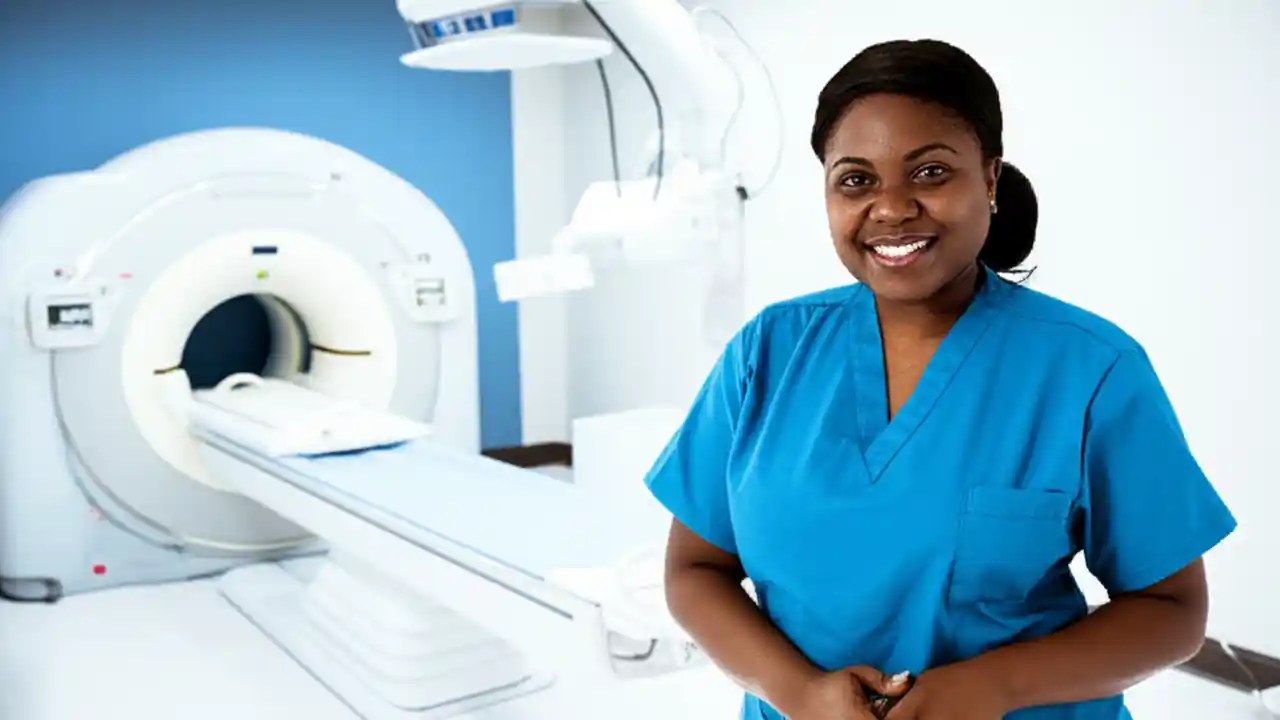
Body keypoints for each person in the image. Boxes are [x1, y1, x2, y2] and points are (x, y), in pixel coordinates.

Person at [643, 38, 1237, 720]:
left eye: (929, 173)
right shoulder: (767, 354)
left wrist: (993, 686)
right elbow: (695, 571)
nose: (891, 210)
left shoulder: (1089, 370)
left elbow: (1171, 611)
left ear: (989, 179)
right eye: (857, 180)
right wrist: (799, 694)